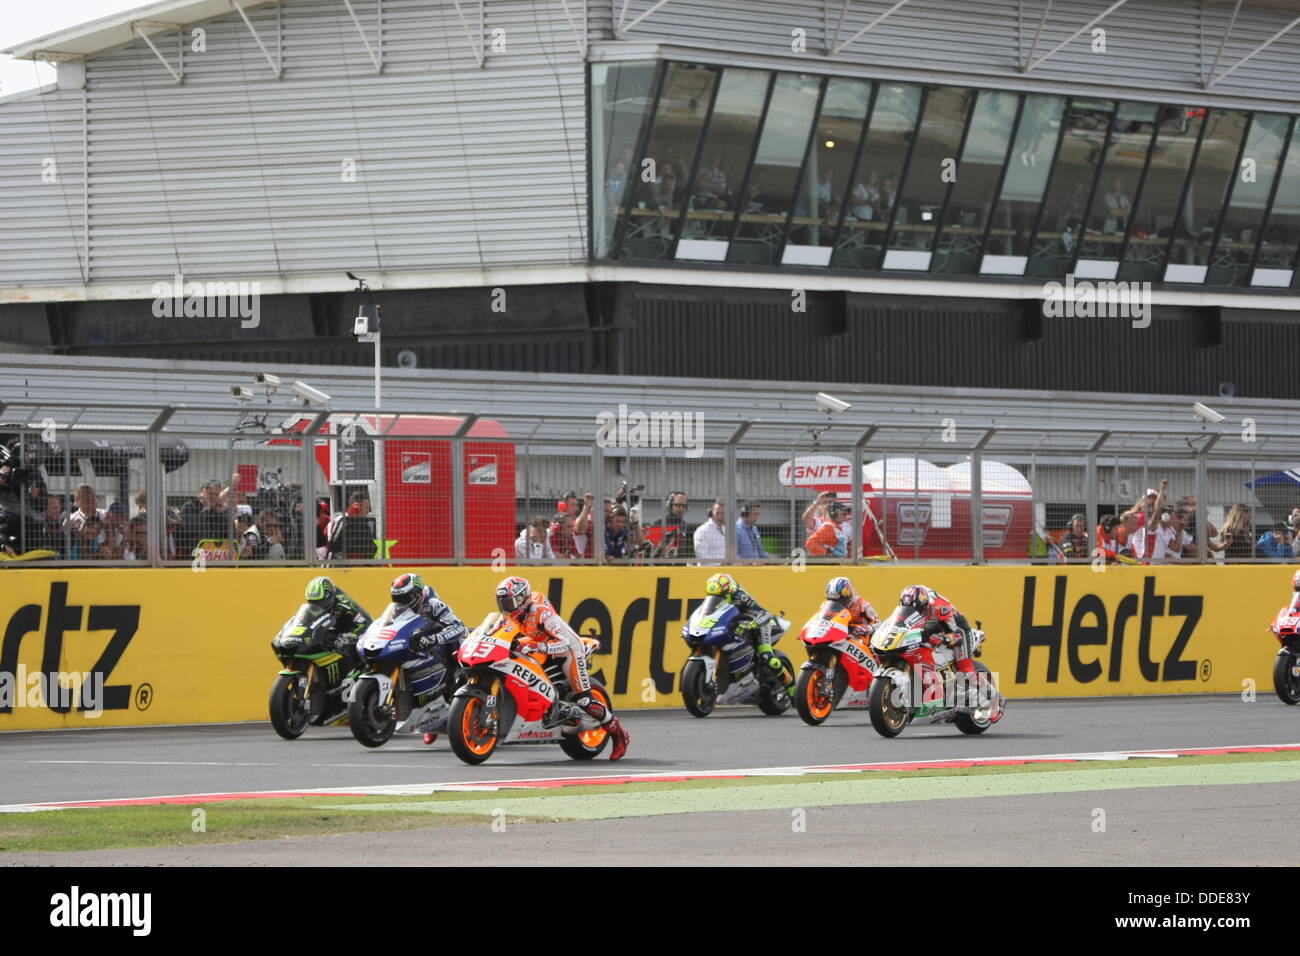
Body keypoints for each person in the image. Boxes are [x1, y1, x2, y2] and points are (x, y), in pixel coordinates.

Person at [494, 576, 629, 760]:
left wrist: (538, 647)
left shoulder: (541, 613)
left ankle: (617, 732)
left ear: (522, 599)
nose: (506, 608)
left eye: (510, 602)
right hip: (543, 644)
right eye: (503, 603)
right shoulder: (514, 616)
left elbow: (564, 643)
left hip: (569, 650)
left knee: (584, 701)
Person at [390, 573, 469, 744]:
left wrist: (434, 639)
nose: (401, 601)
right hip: (422, 642)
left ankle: (457, 702)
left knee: (458, 673)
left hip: (449, 642)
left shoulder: (433, 604)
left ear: (417, 594)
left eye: (405, 597)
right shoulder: (397, 610)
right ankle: (428, 716)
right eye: (397, 598)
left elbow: (459, 627)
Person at [896, 584, 997, 715]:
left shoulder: (940, 608)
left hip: (958, 629)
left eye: (917, 610)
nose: (914, 613)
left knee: (966, 671)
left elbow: (956, 635)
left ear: (924, 605)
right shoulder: (908, 609)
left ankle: (995, 701)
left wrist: (943, 639)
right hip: (931, 629)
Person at [703, 572, 796, 699]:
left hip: (757, 622)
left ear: (729, 591)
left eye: (722, 596)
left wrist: (751, 625)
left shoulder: (741, 597)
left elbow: (765, 614)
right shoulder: (714, 600)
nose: (718, 599)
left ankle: (792, 689)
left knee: (768, 658)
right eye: (714, 596)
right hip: (736, 623)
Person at [304, 576, 372, 673]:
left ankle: (361, 674)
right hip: (336, 632)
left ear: (329, 596)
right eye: (312, 602)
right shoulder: (314, 608)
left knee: (347, 648)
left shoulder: (344, 604)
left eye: (319, 602)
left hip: (357, 631)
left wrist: (348, 637)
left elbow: (365, 623)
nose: (317, 605)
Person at [179, 478, 231, 555]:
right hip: (194, 554)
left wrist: (223, 513)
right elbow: (190, 528)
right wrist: (206, 509)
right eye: (210, 493)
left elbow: (230, 533)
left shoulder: (218, 509)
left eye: (216, 494)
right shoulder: (189, 506)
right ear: (201, 493)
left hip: (217, 554)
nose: (213, 496)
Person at [693, 499, 727, 565]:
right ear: (711, 513)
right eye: (717, 513)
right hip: (708, 572)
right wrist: (719, 565)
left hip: (725, 571)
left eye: (723, 513)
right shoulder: (703, 531)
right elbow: (701, 556)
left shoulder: (727, 530)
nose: (720, 516)